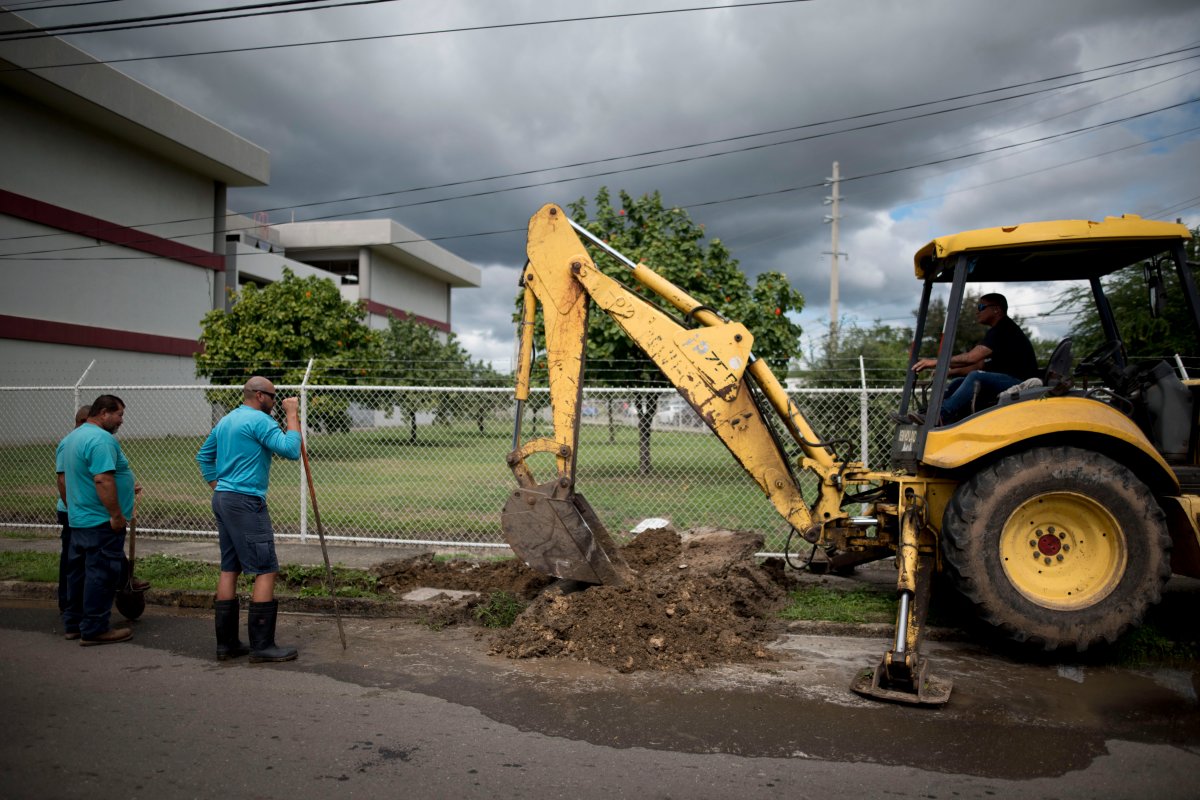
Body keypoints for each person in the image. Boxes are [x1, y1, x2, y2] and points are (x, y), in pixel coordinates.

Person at [196, 376, 301, 663]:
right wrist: (293, 415)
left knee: (230, 568)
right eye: (272, 396)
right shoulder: (259, 421)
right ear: (258, 396)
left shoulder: (227, 420)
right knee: (266, 568)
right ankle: (262, 646)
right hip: (246, 502)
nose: (275, 402)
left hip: (224, 500)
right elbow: (291, 450)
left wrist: (218, 486)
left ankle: (227, 645)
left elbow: (204, 457)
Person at [59, 395, 138, 645]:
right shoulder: (100, 440)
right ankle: (94, 628)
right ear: (104, 413)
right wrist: (115, 515)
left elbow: (63, 480)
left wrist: (75, 509)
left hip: (80, 518)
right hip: (100, 521)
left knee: (78, 573)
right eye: (119, 414)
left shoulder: (72, 438)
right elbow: (103, 479)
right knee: (101, 574)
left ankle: (73, 624)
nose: (121, 420)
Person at [912, 293, 1038, 424]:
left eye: (981, 307)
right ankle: (929, 413)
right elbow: (978, 365)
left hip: (1020, 383)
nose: (977, 312)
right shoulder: (997, 331)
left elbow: (971, 358)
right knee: (958, 381)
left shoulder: (1004, 329)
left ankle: (941, 415)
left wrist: (935, 363)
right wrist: (950, 372)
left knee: (975, 377)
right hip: (1006, 380)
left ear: (996, 309)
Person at [54, 404, 91, 635]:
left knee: (79, 559)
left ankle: (78, 604)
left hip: (82, 510)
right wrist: (73, 508)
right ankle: (67, 603)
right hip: (72, 511)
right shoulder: (69, 442)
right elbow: (62, 480)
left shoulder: (83, 440)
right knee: (71, 558)